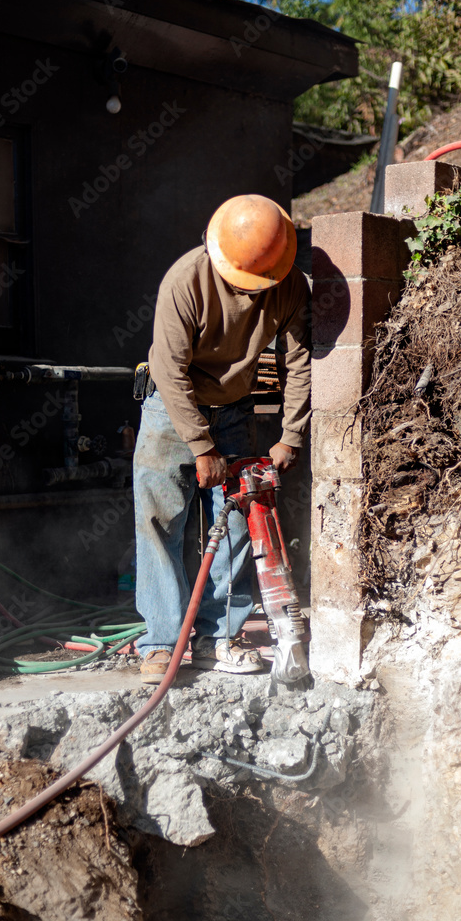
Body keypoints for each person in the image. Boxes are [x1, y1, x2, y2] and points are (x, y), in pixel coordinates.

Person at [133, 194, 311, 684]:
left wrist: (291, 435)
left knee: (234, 526)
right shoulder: (185, 280)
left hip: (234, 408)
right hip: (171, 406)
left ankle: (218, 638)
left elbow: (299, 363)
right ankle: (162, 644)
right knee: (159, 522)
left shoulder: (289, 284)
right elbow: (170, 370)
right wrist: (201, 446)